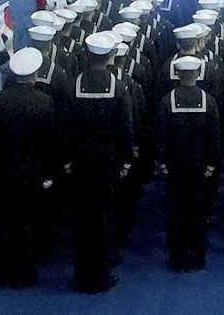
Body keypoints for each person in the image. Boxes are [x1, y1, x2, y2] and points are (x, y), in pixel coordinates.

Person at [62, 31, 136, 292]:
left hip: (81, 161)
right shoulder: (117, 87)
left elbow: (66, 126)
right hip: (108, 162)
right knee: (105, 217)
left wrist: (68, 159)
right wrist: (126, 160)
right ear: (110, 57)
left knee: (82, 218)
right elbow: (125, 127)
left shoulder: (73, 85)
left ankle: (82, 274)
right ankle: (101, 273)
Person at [0, 47, 59, 287]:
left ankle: (6, 274)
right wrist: (49, 173)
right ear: (35, 75)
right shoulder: (45, 102)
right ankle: (26, 273)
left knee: (6, 222)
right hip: (33, 174)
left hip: (4, 173)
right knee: (29, 223)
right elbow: (50, 142)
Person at [155, 55, 221, 272]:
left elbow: (161, 136)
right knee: (197, 209)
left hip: (174, 166)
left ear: (178, 74)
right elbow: (215, 136)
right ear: (197, 74)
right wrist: (212, 164)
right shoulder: (209, 101)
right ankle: (197, 253)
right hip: (199, 166)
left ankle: (177, 255)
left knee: (175, 210)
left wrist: (162, 162)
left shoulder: (167, 101)